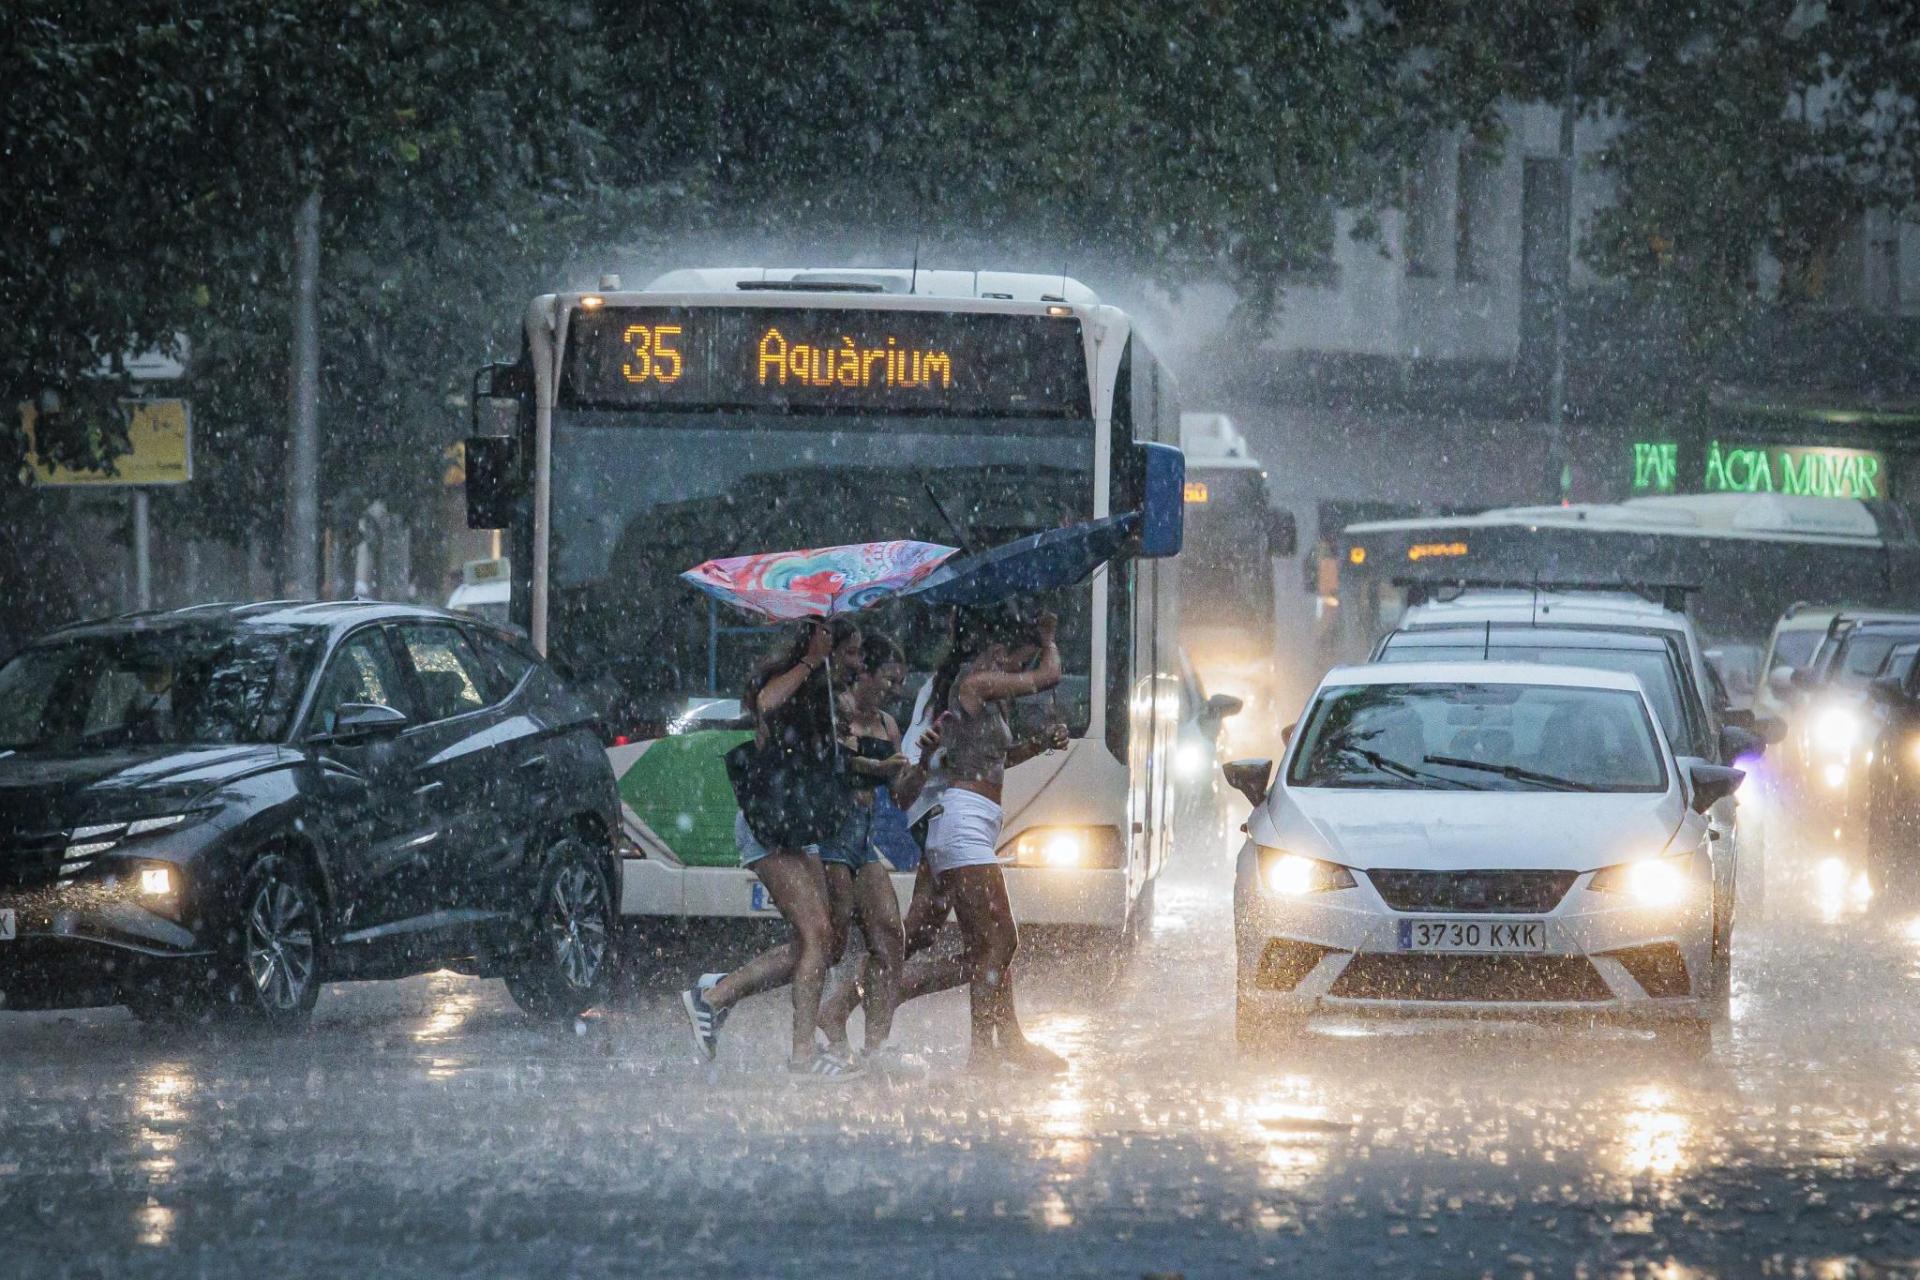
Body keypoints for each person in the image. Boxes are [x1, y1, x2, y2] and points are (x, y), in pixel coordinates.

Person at [886, 606, 1071, 1073]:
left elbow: (994, 763)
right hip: (962, 824)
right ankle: (897, 990)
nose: (1017, 674)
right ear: (996, 652)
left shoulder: (986, 698)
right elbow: (1049, 676)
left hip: (976, 822)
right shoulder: (974, 683)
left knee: (982, 939)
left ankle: (989, 1049)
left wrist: (1040, 744)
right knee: (1000, 943)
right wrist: (1048, 638)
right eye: (1016, 662)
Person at [680, 617, 867, 1079]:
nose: (858, 664)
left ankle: (715, 996)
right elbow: (765, 704)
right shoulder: (788, 679)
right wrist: (810, 660)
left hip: (794, 826)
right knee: (817, 937)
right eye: (850, 653)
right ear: (822, 646)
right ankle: (802, 1057)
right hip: (767, 825)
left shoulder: (824, 696)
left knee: (816, 942)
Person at [812, 632, 936, 1075]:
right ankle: (731, 993)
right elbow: (829, 763)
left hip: (862, 841)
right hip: (829, 837)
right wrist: (873, 768)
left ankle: (877, 1045)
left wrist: (922, 764)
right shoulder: (834, 710)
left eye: (900, 682)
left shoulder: (887, 724)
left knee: (889, 937)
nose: (894, 690)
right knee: (829, 942)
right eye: (888, 679)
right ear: (863, 670)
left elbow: (900, 796)